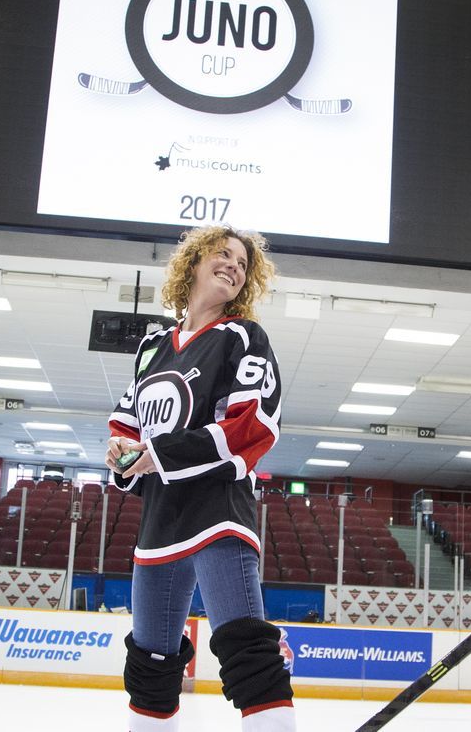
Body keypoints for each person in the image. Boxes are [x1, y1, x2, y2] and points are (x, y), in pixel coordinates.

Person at [106, 225, 295, 732]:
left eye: (243, 262)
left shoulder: (244, 337)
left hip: (218, 513)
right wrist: (123, 453)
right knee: (150, 665)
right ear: (193, 262)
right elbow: (127, 422)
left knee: (247, 652)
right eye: (223, 253)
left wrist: (158, 452)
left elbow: (253, 425)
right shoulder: (152, 347)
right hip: (159, 521)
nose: (234, 264)